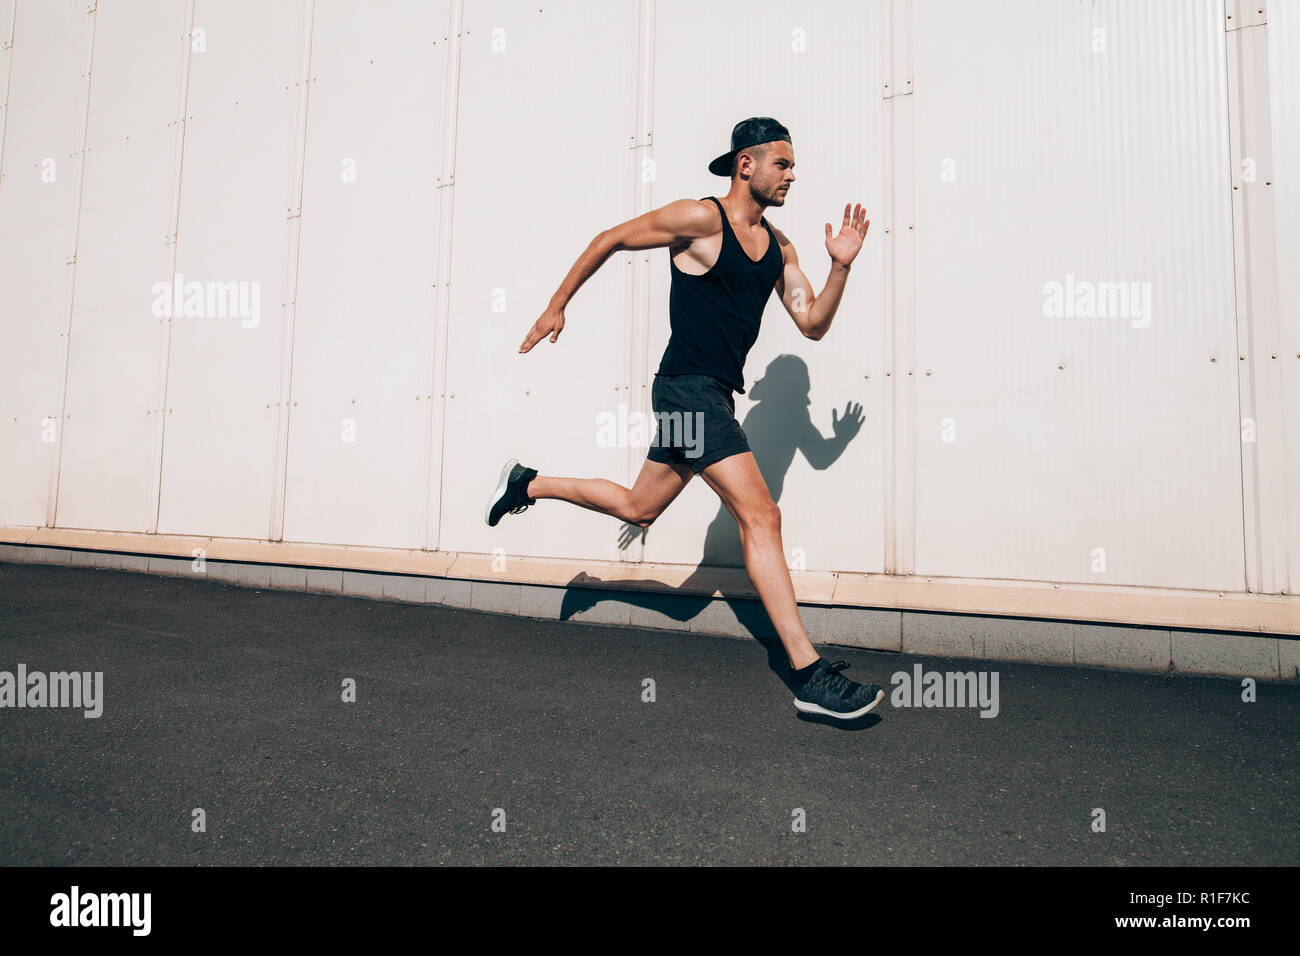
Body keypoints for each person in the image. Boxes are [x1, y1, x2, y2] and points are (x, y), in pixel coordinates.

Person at [487, 117, 882, 720]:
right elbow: (611, 238)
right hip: (685, 390)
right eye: (783, 164)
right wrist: (555, 306)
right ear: (745, 164)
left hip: (711, 397)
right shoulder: (700, 219)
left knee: (638, 508)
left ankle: (527, 482)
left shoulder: (781, 249)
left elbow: (813, 324)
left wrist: (841, 267)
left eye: (794, 166)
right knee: (762, 515)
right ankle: (808, 674)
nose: (792, 176)